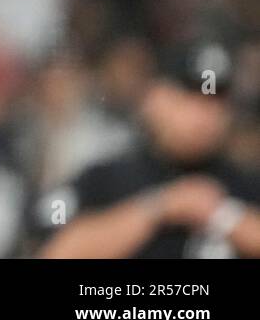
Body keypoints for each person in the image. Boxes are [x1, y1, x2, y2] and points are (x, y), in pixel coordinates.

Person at [39, 41, 260, 258]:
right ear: (156, 98)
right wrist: (161, 206)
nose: (205, 116)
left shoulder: (245, 184)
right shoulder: (107, 178)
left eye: (216, 101)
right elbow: (56, 251)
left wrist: (221, 215)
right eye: (191, 98)